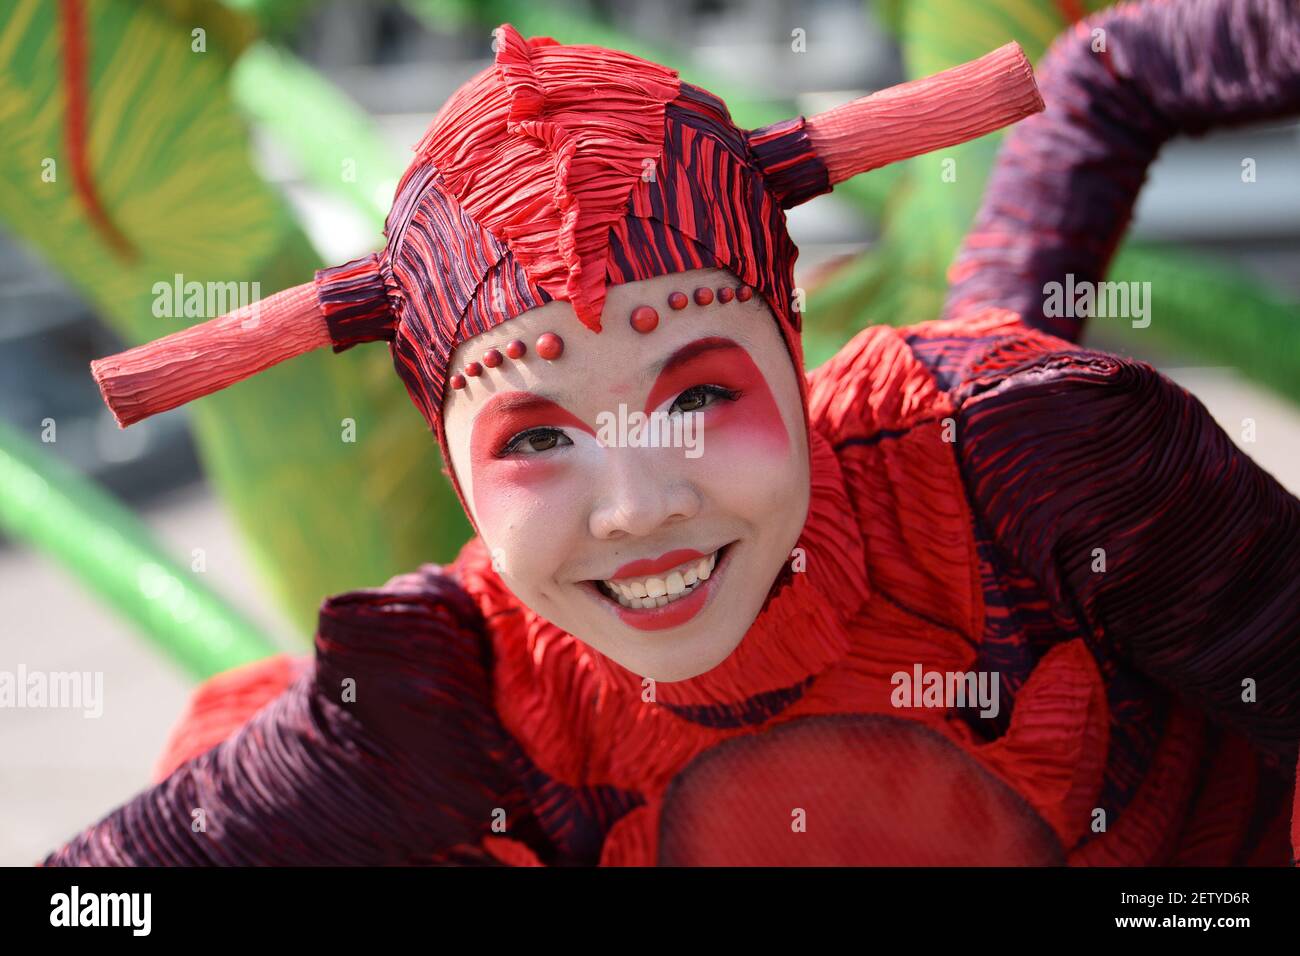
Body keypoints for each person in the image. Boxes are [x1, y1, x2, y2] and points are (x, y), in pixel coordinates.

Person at [45, 0, 1299, 867]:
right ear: (451, 465)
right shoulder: (434, 703)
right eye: (535, 439)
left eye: (697, 397)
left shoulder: (1035, 456)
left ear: (790, 353)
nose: (638, 504)